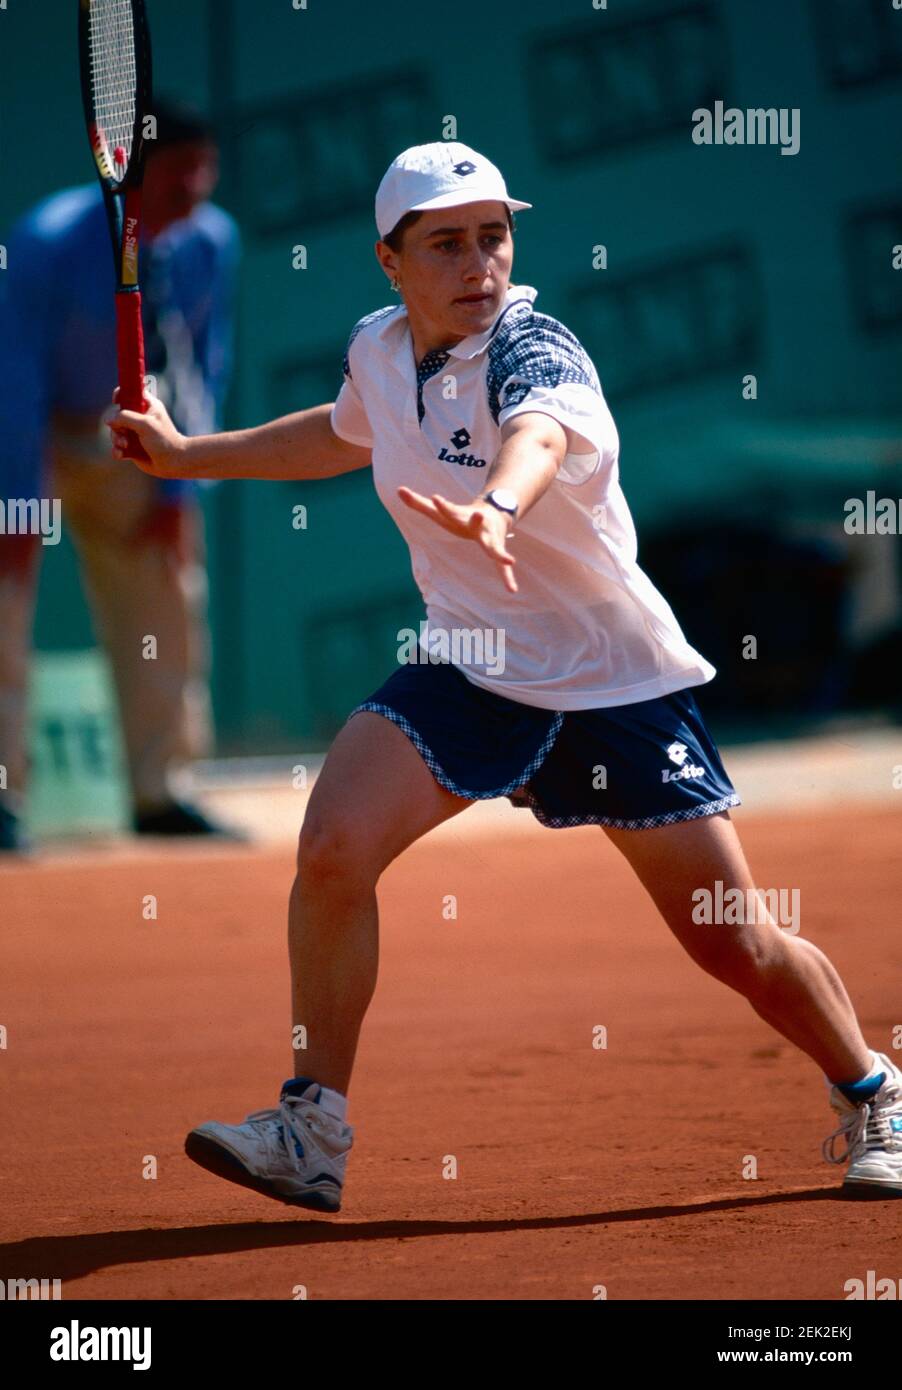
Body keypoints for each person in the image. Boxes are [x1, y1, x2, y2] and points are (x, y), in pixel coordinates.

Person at [105, 142, 902, 1212]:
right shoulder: (378, 352)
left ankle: (872, 1090)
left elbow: (532, 432)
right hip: (472, 659)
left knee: (734, 939)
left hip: (607, 676)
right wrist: (188, 455)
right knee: (333, 846)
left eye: (493, 235)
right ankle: (310, 1129)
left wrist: (498, 507)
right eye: (445, 243)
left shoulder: (538, 346)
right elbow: (341, 433)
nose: (477, 262)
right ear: (389, 262)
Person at [0, 100, 243, 852]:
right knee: (1, 601)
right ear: (129, 168)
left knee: (167, 592)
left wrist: (177, 485)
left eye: (207, 165)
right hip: (30, 434)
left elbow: (203, 369)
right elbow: (15, 373)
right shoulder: (45, 242)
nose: (198, 183)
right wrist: (16, 500)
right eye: (180, 168)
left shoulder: (213, 242)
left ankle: (161, 793)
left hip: (134, 440)